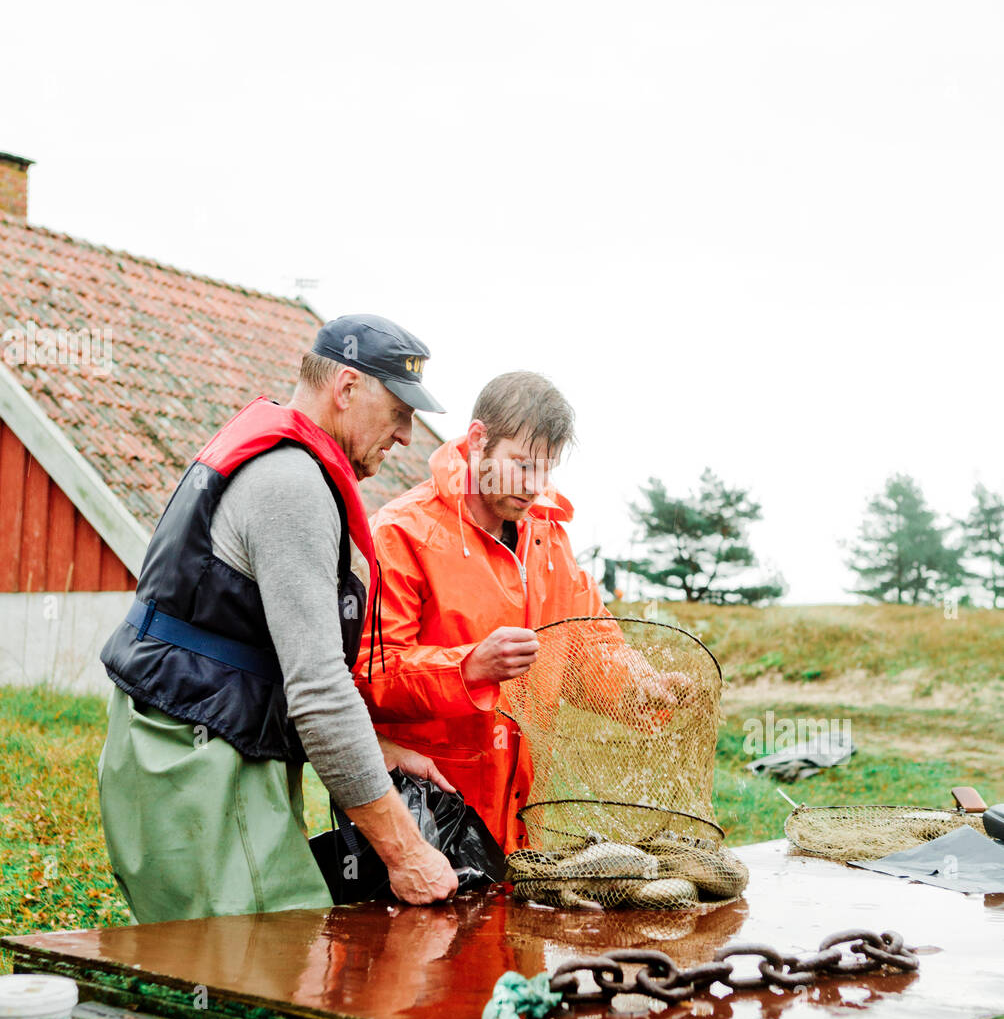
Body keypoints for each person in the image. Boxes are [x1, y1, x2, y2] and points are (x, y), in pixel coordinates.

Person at [98, 314, 458, 923]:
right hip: (200, 767)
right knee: (267, 963)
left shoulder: (283, 463)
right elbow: (318, 693)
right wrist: (407, 852)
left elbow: (255, 658)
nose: (405, 436)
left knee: (223, 970)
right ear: (346, 389)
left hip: (186, 751)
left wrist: (376, 748)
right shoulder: (292, 485)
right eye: (399, 412)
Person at [353, 370, 693, 852]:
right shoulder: (401, 533)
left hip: (518, 810)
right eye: (522, 465)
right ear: (478, 441)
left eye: (546, 470)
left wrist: (640, 686)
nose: (535, 486)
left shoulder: (549, 538)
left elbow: (592, 646)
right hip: (425, 813)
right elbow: (368, 676)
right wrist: (469, 668)